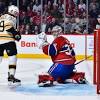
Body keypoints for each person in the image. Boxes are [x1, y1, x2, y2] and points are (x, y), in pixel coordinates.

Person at [0, 5, 21, 85]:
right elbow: (8, 27)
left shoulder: (2, 16)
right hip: (7, 39)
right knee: (13, 57)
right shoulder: (11, 18)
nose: (16, 14)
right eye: (15, 12)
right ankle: (11, 76)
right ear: (11, 11)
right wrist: (16, 34)